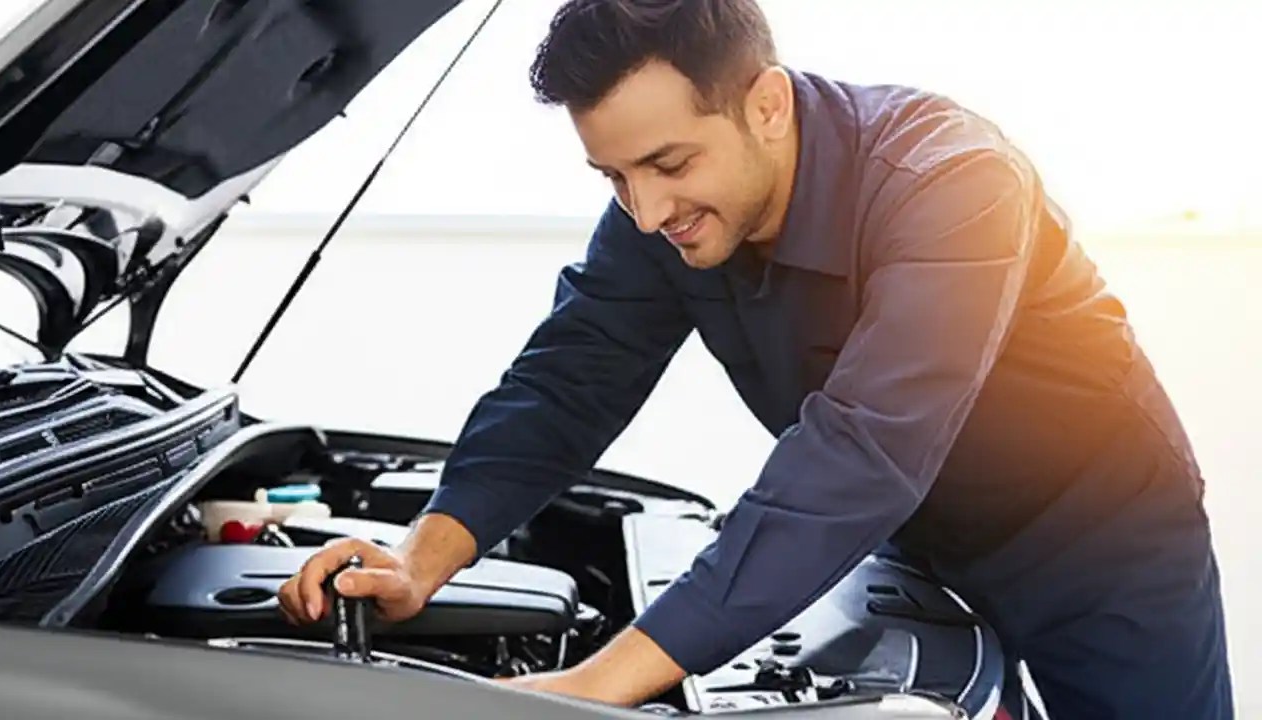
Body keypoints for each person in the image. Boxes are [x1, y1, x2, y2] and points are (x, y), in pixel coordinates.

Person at [277, 1, 1234, 717]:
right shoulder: (658, 218)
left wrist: (596, 687)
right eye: (614, 177)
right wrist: (420, 559)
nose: (646, 212)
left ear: (767, 104)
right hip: (917, 537)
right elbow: (568, 381)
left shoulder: (953, 182)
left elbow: (863, 448)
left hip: (1099, 540)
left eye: (669, 165)